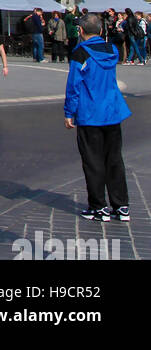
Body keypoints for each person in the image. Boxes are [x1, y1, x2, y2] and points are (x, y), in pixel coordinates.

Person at [66, 13, 131, 222]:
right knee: (114, 159)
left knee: (93, 161)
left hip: (90, 113)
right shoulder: (111, 49)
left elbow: (74, 85)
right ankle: (121, 206)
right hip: (112, 111)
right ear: (101, 31)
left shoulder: (80, 53)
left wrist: (69, 112)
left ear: (81, 31)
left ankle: (98, 207)